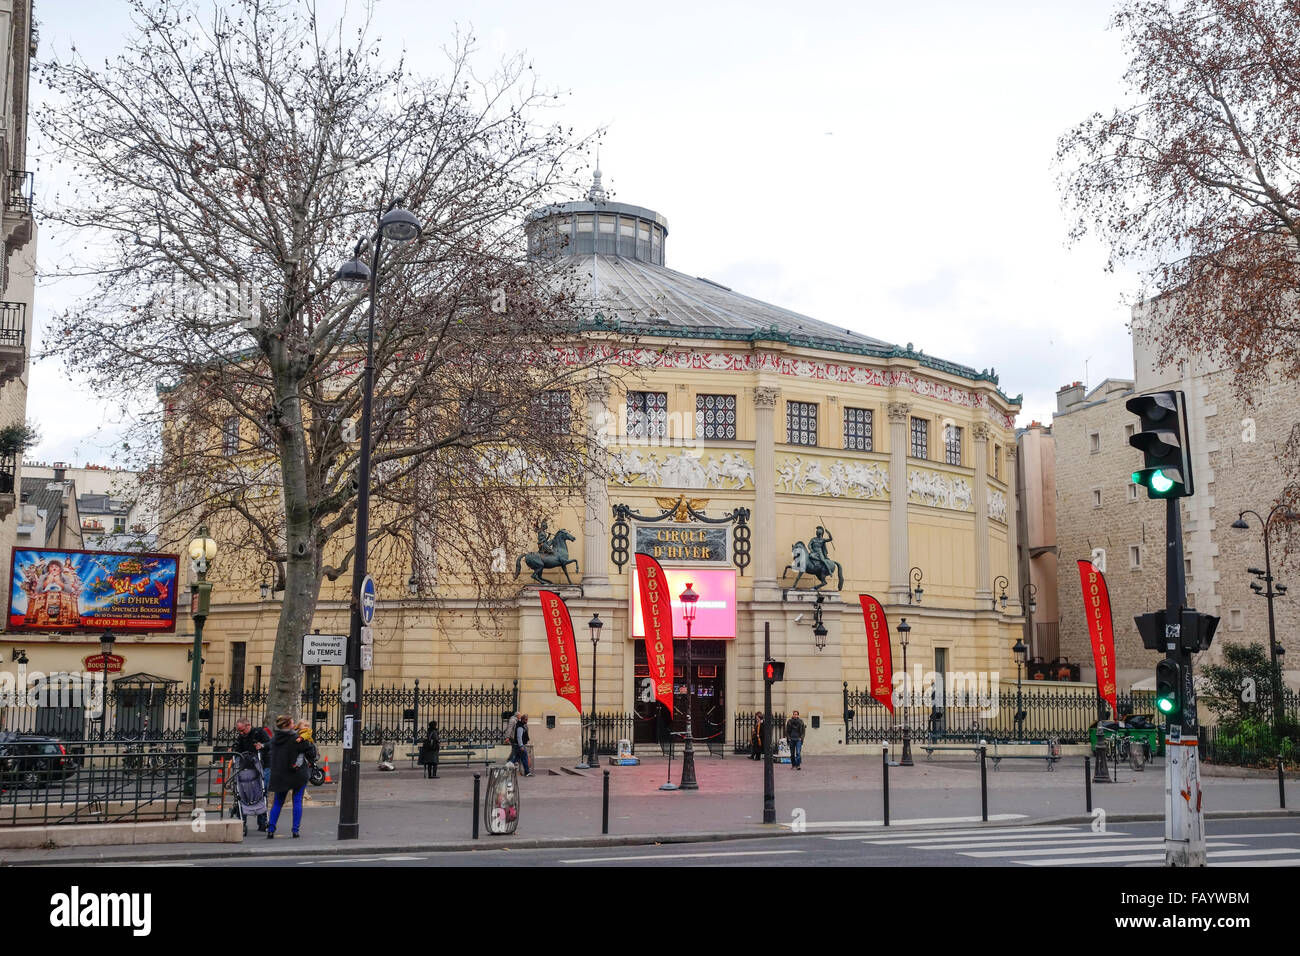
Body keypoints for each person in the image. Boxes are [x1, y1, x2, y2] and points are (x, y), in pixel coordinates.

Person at [266, 714, 318, 839]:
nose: (294, 724)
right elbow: (312, 753)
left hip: (280, 774)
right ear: (288, 724)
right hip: (297, 773)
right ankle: (295, 830)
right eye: (292, 722)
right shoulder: (296, 738)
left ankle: (271, 829)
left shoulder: (274, 739)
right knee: (297, 801)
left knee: (278, 802)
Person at [232, 718, 271, 830]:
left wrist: (262, 746)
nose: (240, 733)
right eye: (238, 730)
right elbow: (238, 750)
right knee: (243, 792)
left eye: (242, 730)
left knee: (262, 791)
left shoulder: (260, 732)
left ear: (248, 725)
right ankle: (242, 821)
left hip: (264, 765)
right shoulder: (241, 737)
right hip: (248, 767)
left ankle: (262, 822)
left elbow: (270, 744)